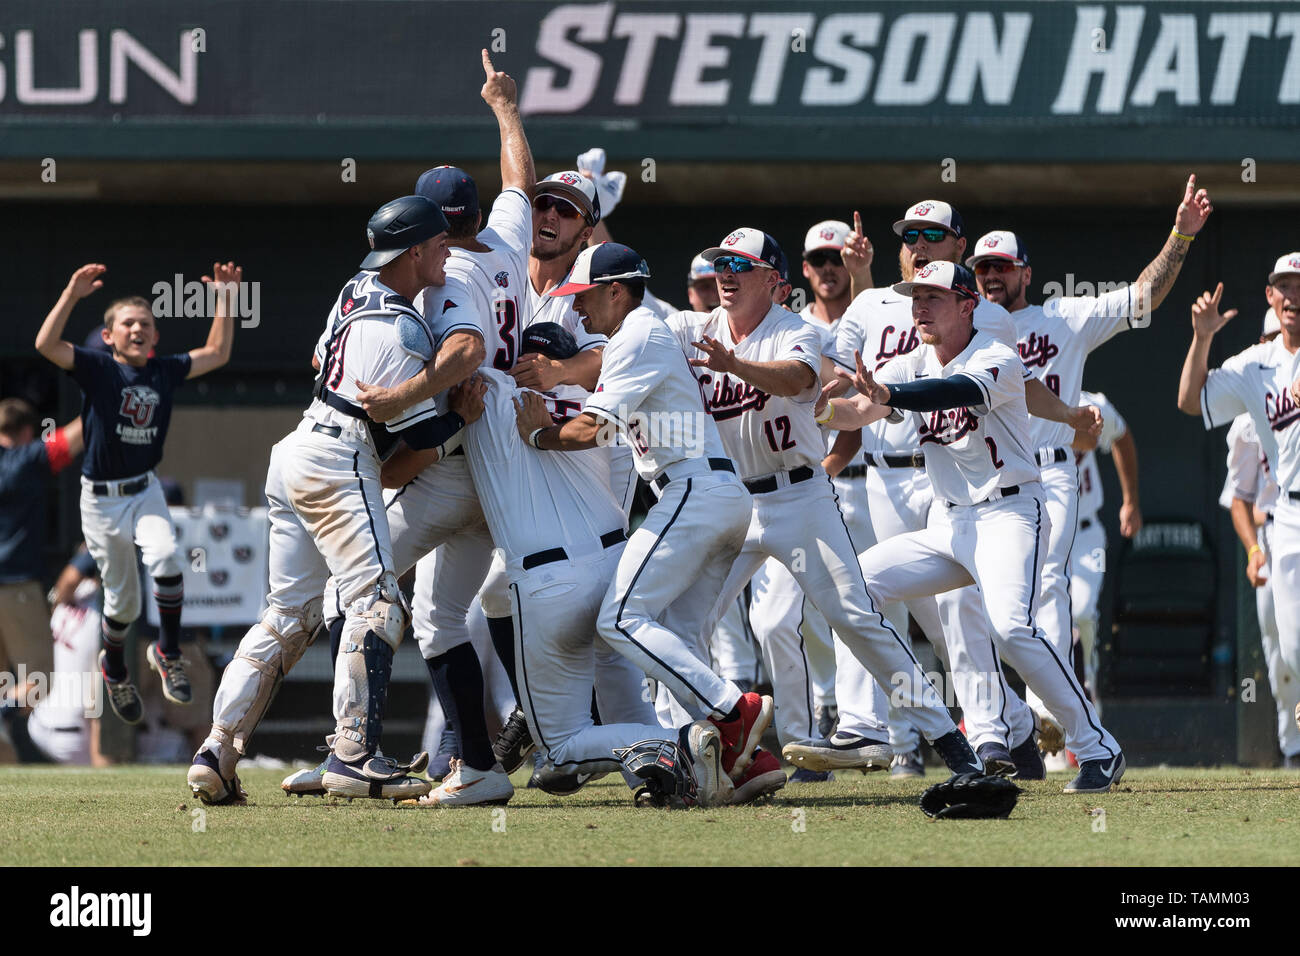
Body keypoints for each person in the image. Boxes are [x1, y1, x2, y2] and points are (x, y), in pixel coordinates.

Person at [664, 227, 987, 779]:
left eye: (740, 265)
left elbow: (797, 380)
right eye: (721, 263)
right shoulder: (693, 328)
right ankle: (690, 752)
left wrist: (734, 366)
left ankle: (953, 746)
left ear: (775, 281)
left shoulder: (798, 329)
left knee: (857, 618)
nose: (725, 273)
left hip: (798, 496)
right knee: (679, 626)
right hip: (731, 501)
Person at [824, 260, 1127, 793]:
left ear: (968, 305)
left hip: (1009, 512)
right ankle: (920, 728)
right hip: (948, 522)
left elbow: (949, 392)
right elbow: (855, 412)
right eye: (915, 297)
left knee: (1012, 628)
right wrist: (827, 408)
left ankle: (1097, 745)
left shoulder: (996, 356)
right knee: (854, 585)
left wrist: (887, 396)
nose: (920, 307)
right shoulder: (907, 361)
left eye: (933, 297)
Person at [514, 241, 783, 799]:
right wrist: (560, 371)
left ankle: (735, 709)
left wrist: (538, 433)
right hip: (711, 493)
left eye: (584, 297)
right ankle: (747, 762)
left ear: (616, 290)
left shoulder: (638, 330)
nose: (577, 310)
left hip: (694, 489)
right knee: (677, 639)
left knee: (617, 620)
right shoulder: (636, 335)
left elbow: (592, 430)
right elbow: (596, 378)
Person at [966, 174, 1212, 744]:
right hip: (981, 476)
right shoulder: (963, 330)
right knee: (977, 603)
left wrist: (1181, 235)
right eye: (982, 268)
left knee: (1048, 584)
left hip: (1050, 466)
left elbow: (1143, 298)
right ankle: (1000, 726)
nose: (992, 276)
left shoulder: (1062, 317)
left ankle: (1053, 712)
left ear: (1025, 272)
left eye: (1002, 266)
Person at [34, 260, 236, 725]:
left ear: (155, 336)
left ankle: (167, 651)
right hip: (102, 499)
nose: (138, 329)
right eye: (128, 323)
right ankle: (116, 667)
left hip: (144, 490)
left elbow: (217, 353)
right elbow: (44, 345)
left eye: (146, 324)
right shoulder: (99, 370)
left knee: (165, 556)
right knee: (122, 603)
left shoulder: (163, 371)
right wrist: (70, 293)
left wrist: (225, 299)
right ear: (109, 336)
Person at [1179, 255, 1300, 746]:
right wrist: (1202, 337)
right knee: (1290, 647)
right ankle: (1291, 742)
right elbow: (1190, 400)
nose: (1293, 296)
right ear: (1270, 296)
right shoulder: (1257, 364)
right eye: (1284, 287)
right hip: (1289, 513)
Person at [0, 398, 83, 744]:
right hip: (16, 586)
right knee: (43, 680)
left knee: (5, 681)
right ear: (27, 432)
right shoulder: (26, 458)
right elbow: (80, 433)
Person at [1071, 389, 1141, 706]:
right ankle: (1047, 722)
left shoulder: (1092, 403)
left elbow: (1121, 436)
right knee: (1044, 626)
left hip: (1087, 533)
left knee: (1083, 611)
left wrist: (1131, 501)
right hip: (1038, 535)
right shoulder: (1021, 401)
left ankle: (1088, 679)